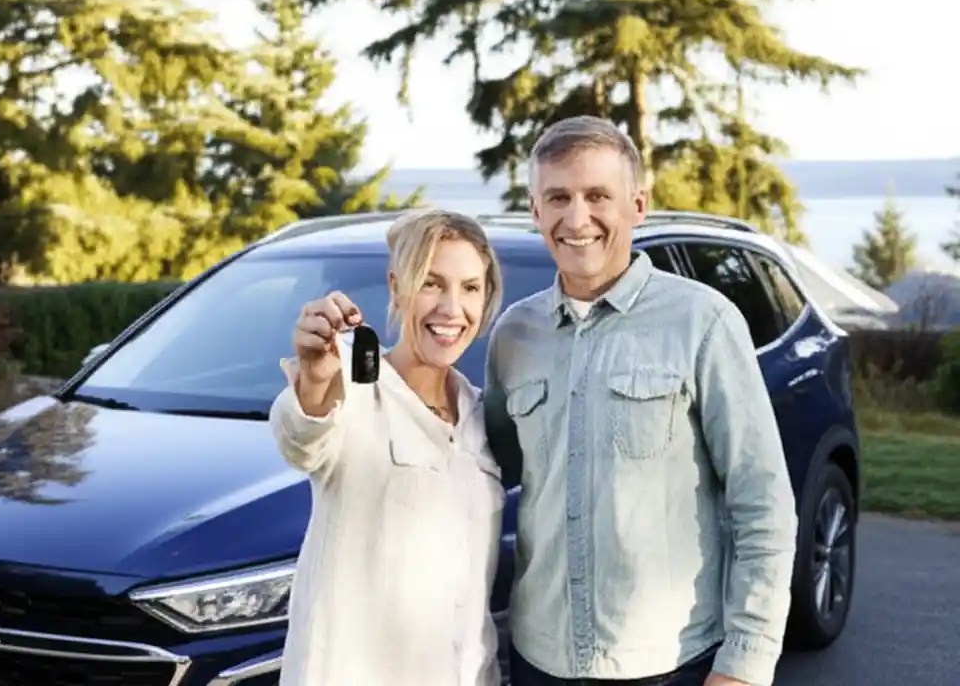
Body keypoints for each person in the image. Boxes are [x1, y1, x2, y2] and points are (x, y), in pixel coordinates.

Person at [484, 116, 799, 686]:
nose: (577, 218)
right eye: (558, 197)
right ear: (536, 210)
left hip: (669, 665)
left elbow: (763, 504)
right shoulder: (513, 335)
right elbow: (483, 474)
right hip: (539, 661)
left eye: (597, 196)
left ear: (637, 204)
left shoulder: (704, 322)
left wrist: (746, 664)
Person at [268, 208, 507, 686]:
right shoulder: (355, 386)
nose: (451, 308)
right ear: (396, 286)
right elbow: (303, 435)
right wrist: (316, 376)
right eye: (431, 283)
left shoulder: (482, 416)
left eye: (470, 288)